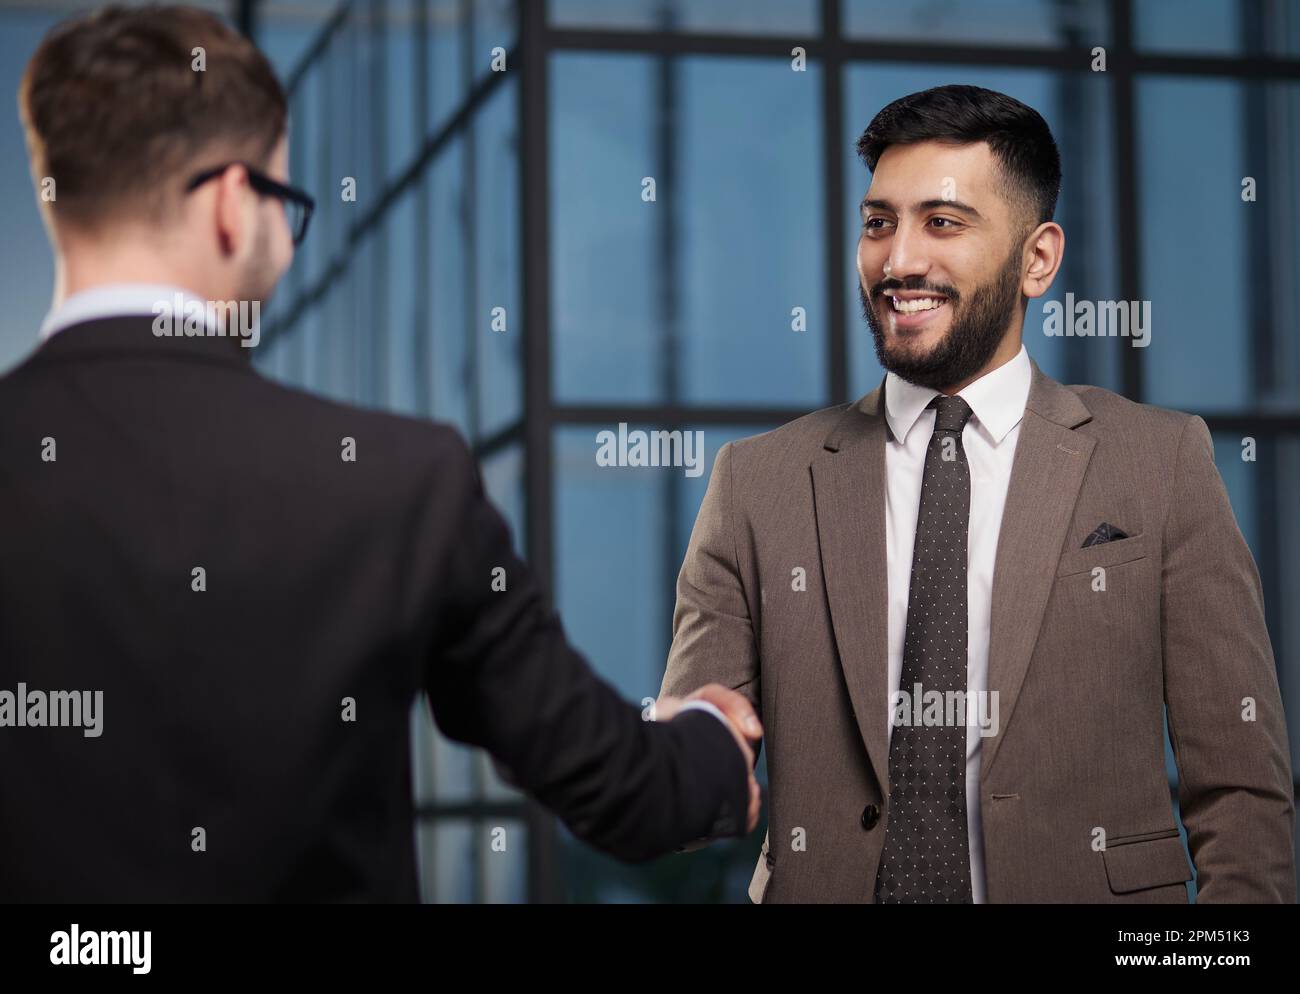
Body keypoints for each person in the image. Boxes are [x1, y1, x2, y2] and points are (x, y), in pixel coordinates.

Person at [0, 4, 760, 902]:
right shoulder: (399, 481)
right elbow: (614, 783)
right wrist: (709, 735)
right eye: (287, 202)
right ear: (233, 207)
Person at [662, 84, 1295, 904]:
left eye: (943, 222)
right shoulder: (757, 483)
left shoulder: (1159, 461)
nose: (899, 262)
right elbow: (687, 787)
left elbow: (1241, 785)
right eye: (879, 222)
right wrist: (669, 760)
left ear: (1038, 258)